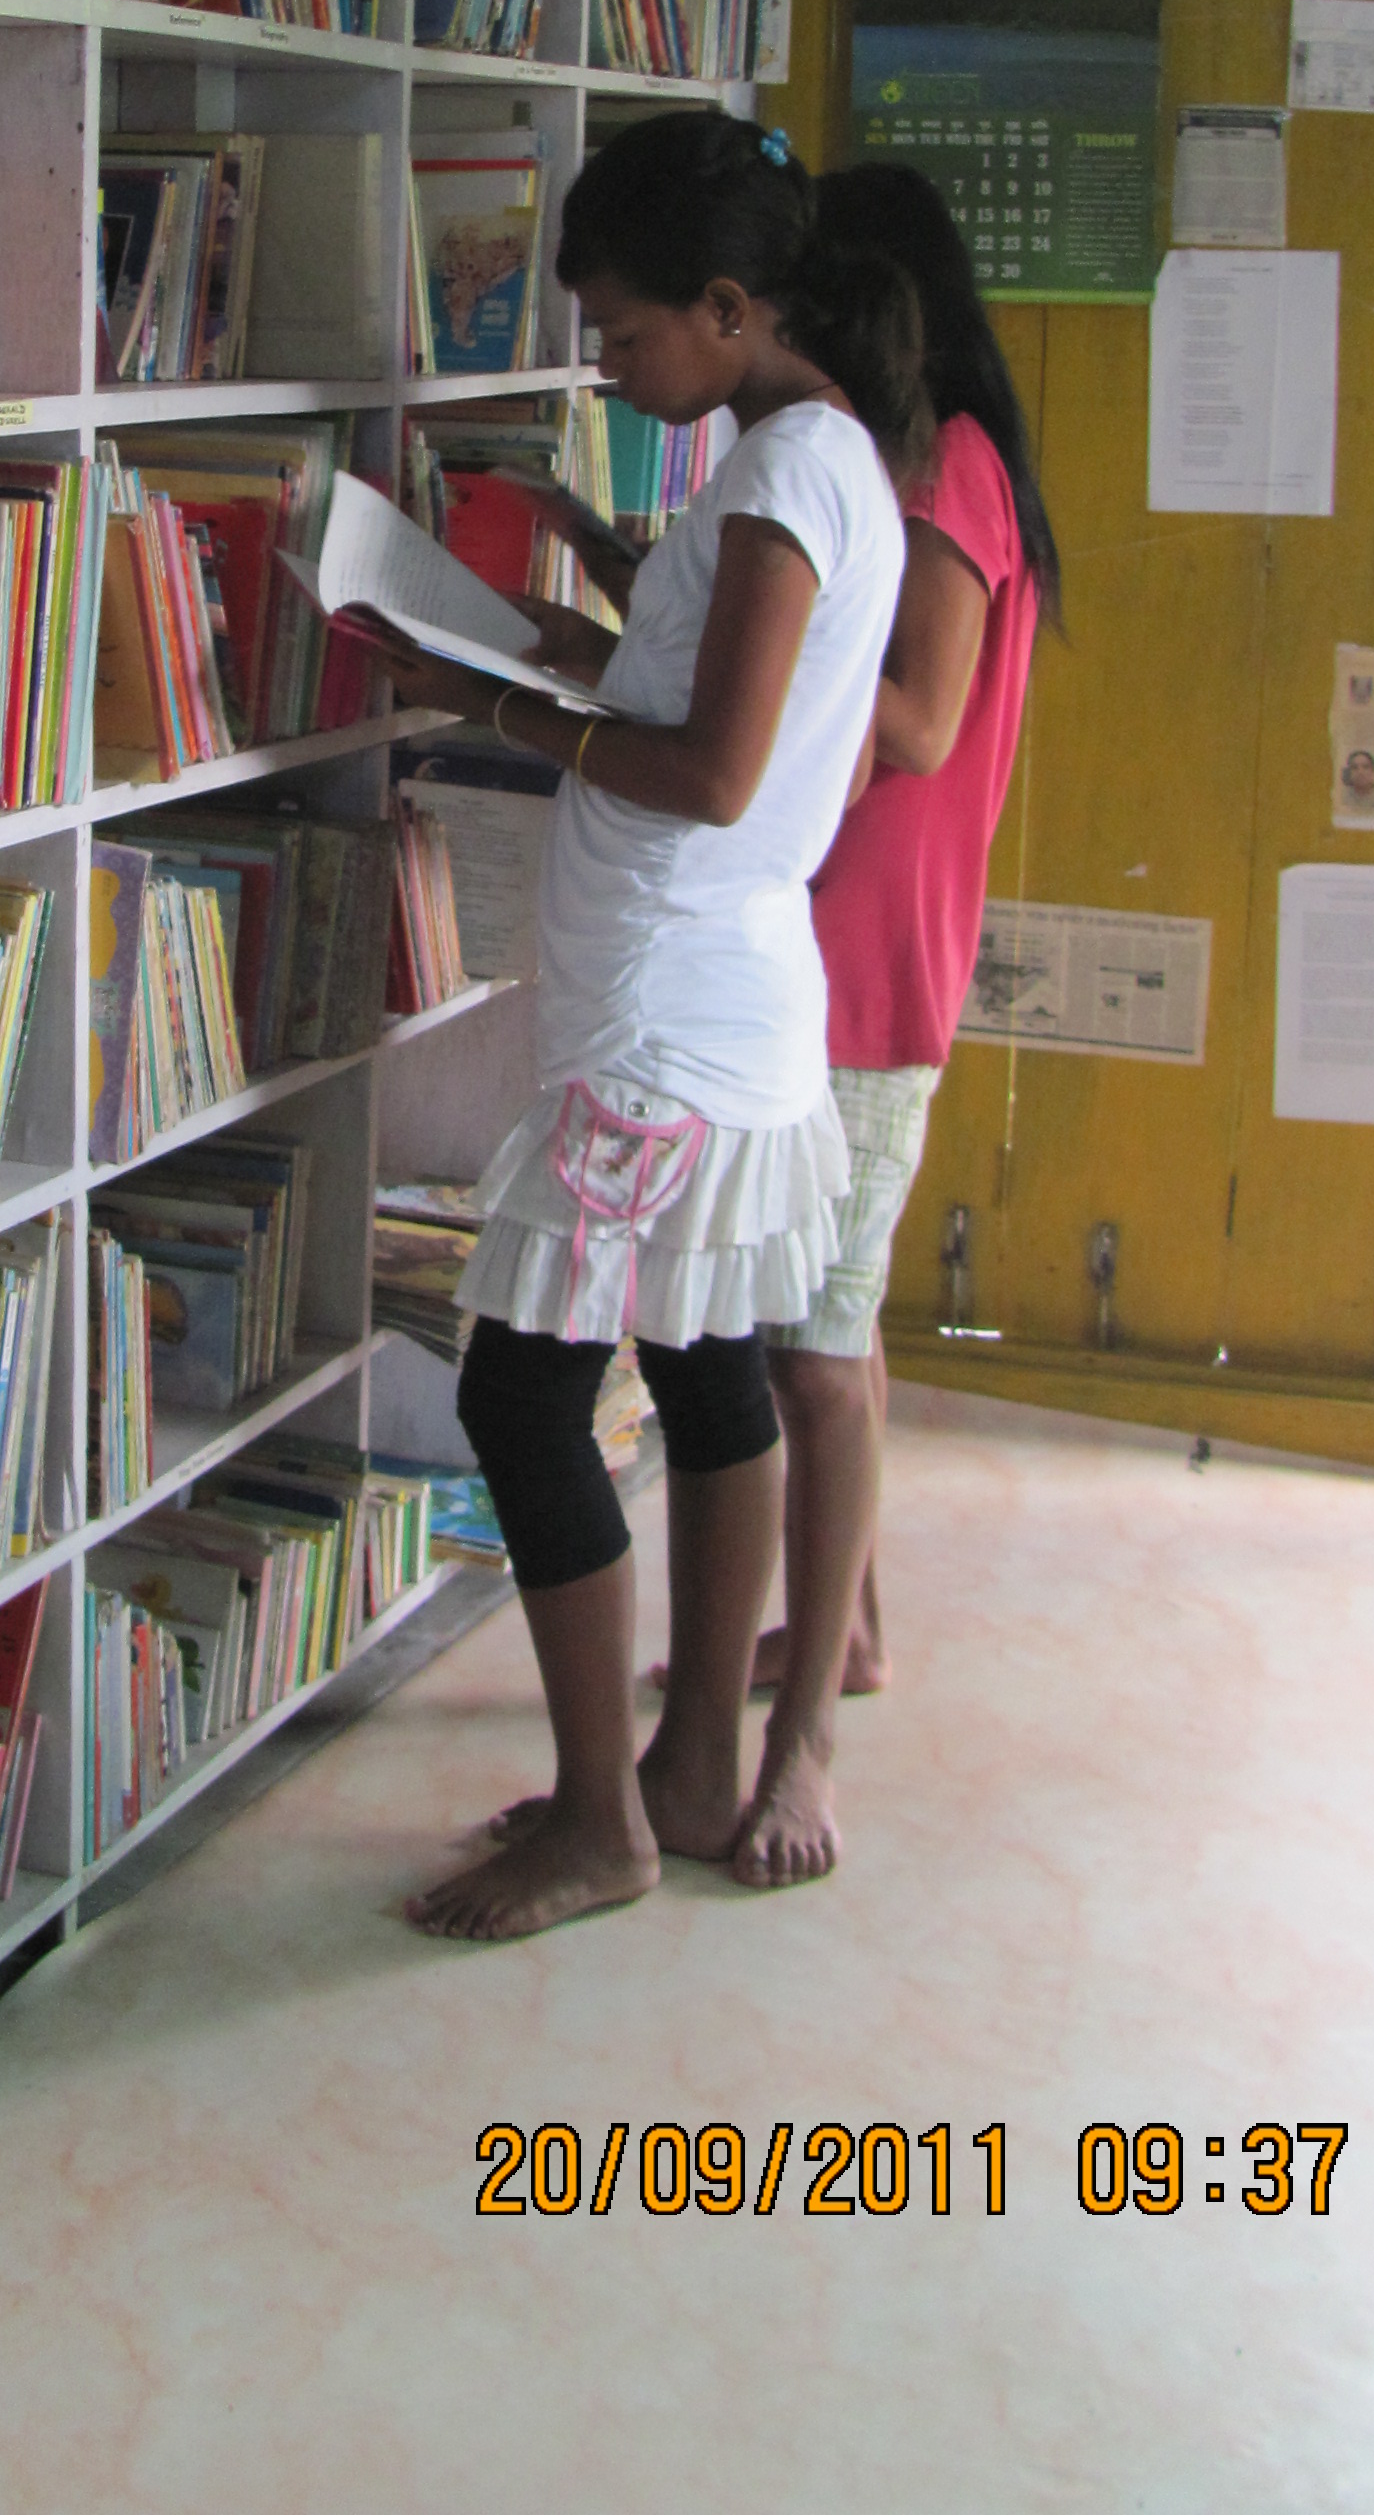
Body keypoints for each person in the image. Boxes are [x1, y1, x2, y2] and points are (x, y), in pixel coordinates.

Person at [355, 114, 925, 1940]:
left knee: (521, 1392)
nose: (606, 361)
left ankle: (603, 1817)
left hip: (665, 1028)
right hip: (715, 999)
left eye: (622, 328)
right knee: (705, 1369)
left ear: (733, 306)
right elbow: (706, 705)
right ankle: (682, 1771)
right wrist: (548, 648)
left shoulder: (781, 482)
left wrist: (496, 712)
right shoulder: (815, 457)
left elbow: (710, 772)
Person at [730, 158, 1057, 1887]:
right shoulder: (894, 457)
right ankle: (839, 1630)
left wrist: (754, 659)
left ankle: (808, 1748)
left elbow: (918, 719)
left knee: (812, 1348)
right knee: (830, 1328)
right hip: (830, 935)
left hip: (873, 952)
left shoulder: (953, 468)